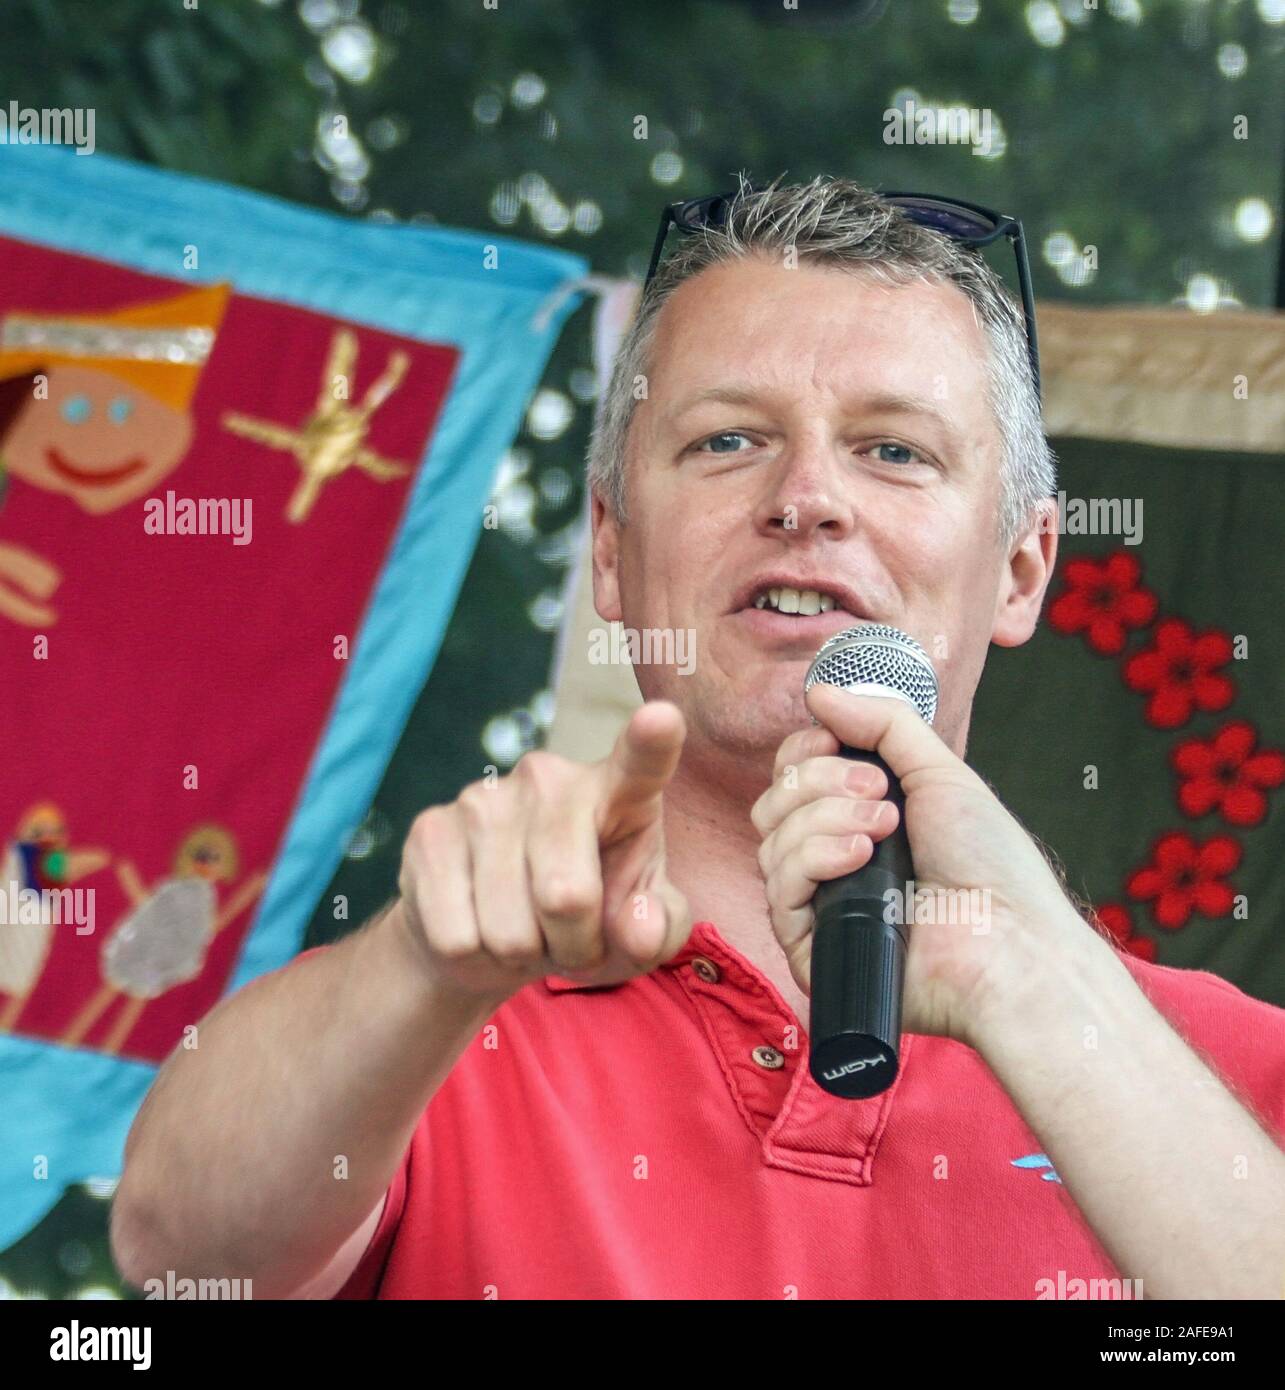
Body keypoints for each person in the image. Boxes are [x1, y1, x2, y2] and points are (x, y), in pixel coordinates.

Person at [111, 175, 1285, 1300]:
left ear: (1022, 567)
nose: (806, 496)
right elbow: (176, 1254)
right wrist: (420, 968)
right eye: (728, 440)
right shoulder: (425, 1010)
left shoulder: (1230, 1072)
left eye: (895, 450)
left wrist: (1019, 984)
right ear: (611, 552)